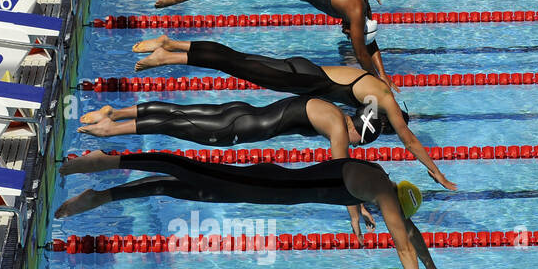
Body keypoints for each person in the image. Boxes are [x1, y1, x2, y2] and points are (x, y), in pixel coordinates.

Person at [56, 149, 449, 269]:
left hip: (267, 187)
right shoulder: (379, 190)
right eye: (392, 213)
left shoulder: (377, 182)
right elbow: (401, 242)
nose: (388, 218)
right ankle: (107, 165)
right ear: (393, 202)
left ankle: (102, 194)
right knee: (185, 173)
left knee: (178, 186)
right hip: (262, 186)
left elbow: (410, 235)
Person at [132, 35, 455, 189]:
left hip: (305, 76)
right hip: (304, 78)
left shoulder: (372, 100)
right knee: (237, 63)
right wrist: (435, 171)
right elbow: (410, 141)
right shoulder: (383, 101)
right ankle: (169, 54)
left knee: (240, 59)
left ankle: (173, 44)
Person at [155, 0, 391, 84]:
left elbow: (370, 44)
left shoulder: (362, 6)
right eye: (348, 32)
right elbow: (362, 53)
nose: (344, 30)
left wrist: (384, 73)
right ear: (357, 26)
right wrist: (376, 80)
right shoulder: (357, 13)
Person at [77, 94, 373, 157]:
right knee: (171, 126)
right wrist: (356, 212)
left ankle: (116, 113)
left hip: (241, 111)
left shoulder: (329, 107)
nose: (352, 144)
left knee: (178, 113)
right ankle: (110, 129)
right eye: (357, 141)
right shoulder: (337, 125)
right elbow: (340, 170)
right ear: (357, 128)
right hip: (236, 130)